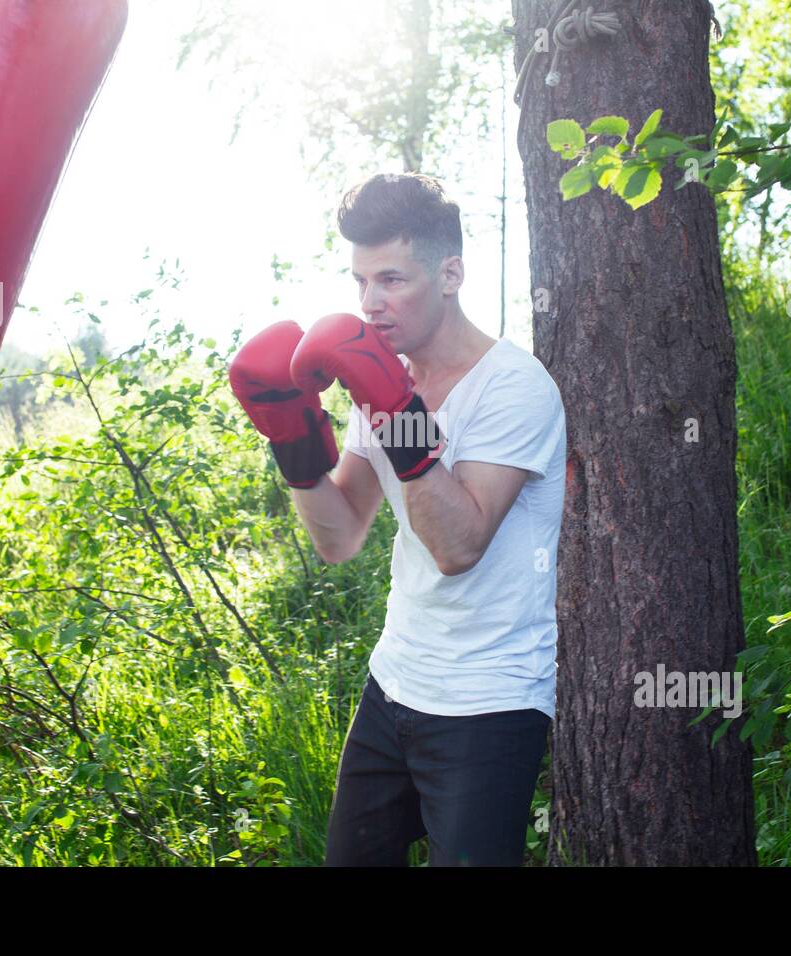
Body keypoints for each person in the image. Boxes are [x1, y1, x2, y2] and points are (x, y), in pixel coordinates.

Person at [228, 172, 566, 866]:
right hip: (396, 682)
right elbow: (341, 535)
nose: (370, 305)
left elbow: (459, 544)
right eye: (359, 283)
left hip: (491, 701)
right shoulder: (377, 376)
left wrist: (395, 413)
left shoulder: (515, 387)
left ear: (450, 274)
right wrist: (291, 441)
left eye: (391, 280)